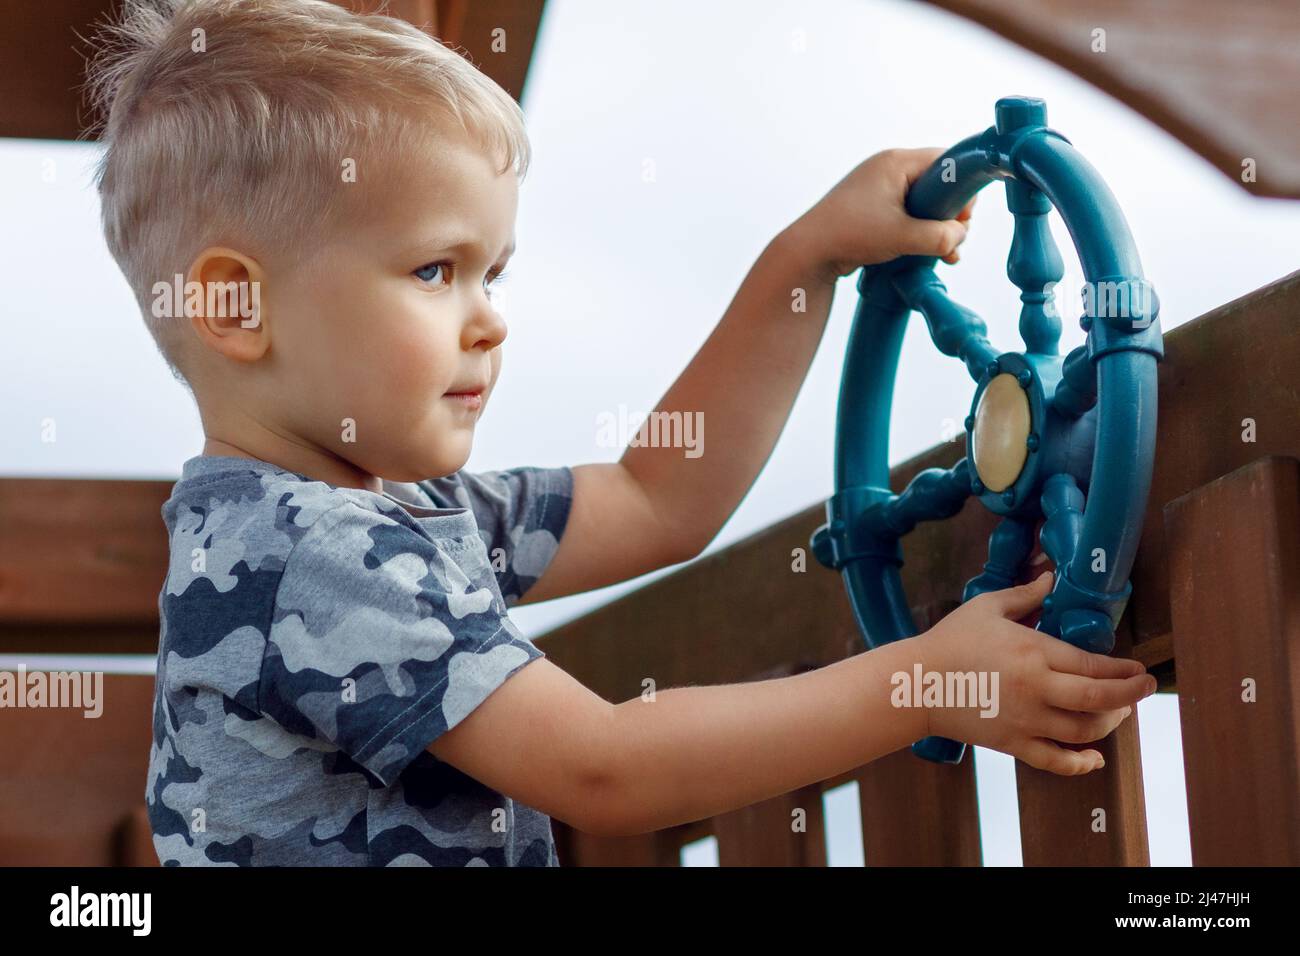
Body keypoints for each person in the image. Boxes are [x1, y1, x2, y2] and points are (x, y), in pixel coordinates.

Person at [87, 0, 1156, 865]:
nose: (490, 316)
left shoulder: (389, 511)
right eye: (433, 269)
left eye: (492, 272)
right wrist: (922, 680)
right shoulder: (307, 555)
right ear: (236, 309)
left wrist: (806, 258)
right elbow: (603, 765)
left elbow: (659, 498)